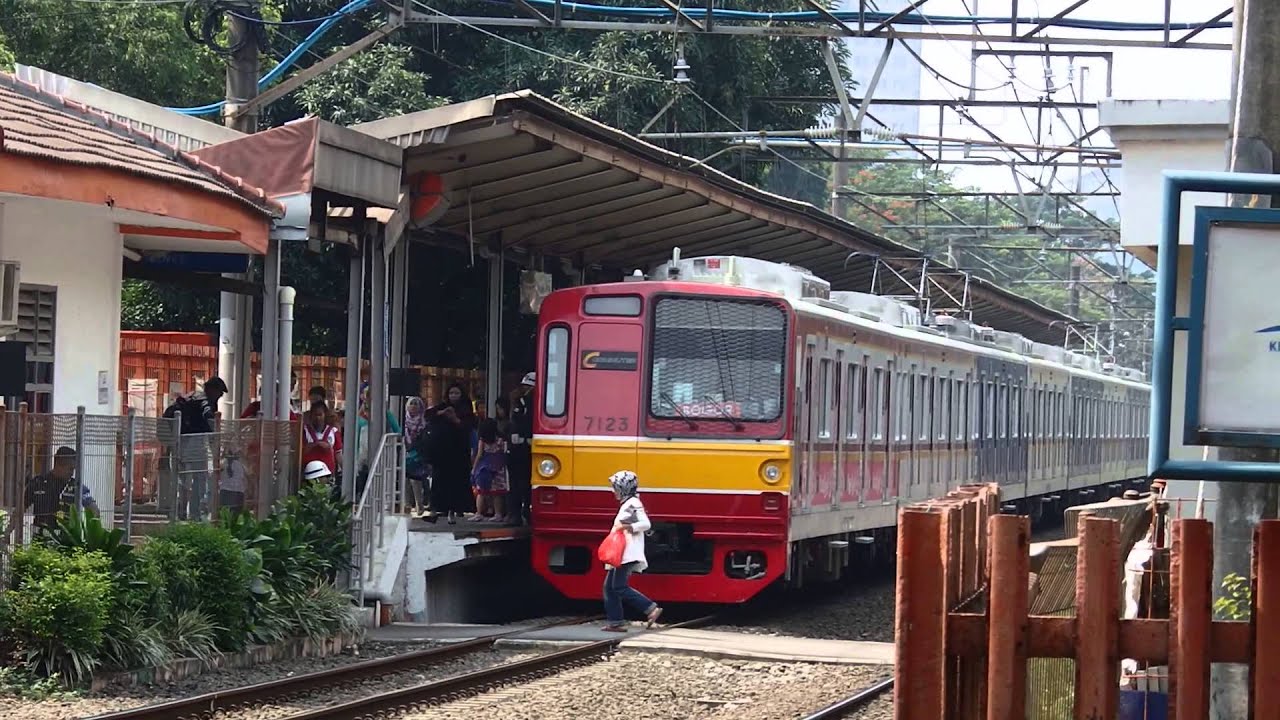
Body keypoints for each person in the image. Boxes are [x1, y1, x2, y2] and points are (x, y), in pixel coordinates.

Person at [601, 470, 662, 633]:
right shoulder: (629, 503)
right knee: (609, 587)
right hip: (621, 553)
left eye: (615, 487)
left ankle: (650, 608)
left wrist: (628, 527)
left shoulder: (633, 503)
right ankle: (616, 622)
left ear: (624, 487)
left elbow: (646, 524)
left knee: (619, 586)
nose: (613, 491)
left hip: (626, 554)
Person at [164, 377, 226, 521]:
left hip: (180, 441)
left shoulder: (190, 397)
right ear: (212, 390)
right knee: (200, 478)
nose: (220, 396)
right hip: (195, 442)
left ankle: (178, 511)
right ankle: (195, 514)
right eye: (220, 392)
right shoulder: (205, 401)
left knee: (182, 479)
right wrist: (215, 434)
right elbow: (208, 416)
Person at [426, 383, 476, 525]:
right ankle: (434, 510)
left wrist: (455, 419)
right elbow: (428, 415)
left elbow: (468, 426)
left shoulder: (466, 409)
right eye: (451, 393)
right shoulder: (442, 406)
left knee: (456, 483)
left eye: (457, 393)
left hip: (458, 453)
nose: (453, 396)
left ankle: (452, 513)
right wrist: (441, 413)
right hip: (442, 452)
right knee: (438, 480)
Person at [25, 446, 98, 532]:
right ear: (59, 465)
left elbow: (94, 509)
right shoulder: (38, 483)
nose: (72, 473)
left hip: (65, 540)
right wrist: (7, 534)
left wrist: (90, 533)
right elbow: (20, 509)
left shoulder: (75, 486)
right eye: (70, 469)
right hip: (41, 540)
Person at [469, 418, 508, 523]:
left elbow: (479, 454)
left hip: (485, 469)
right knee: (497, 493)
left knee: (481, 492)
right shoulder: (500, 440)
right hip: (499, 469)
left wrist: (474, 468)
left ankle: (479, 513)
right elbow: (504, 452)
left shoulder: (483, 440)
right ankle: (498, 514)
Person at [508, 372, 535, 525]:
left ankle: (524, 511)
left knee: (525, 483)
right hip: (516, 449)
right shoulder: (518, 401)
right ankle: (515, 513)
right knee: (516, 483)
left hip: (527, 448)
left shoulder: (533, 402)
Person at [404, 396, 431, 519]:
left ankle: (419, 504)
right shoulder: (403, 420)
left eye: (416, 404)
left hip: (418, 454)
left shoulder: (423, 422)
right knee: (405, 480)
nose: (413, 406)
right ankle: (407, 505)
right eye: (411, 404)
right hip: (405, 452)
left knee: (416, 480)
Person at [302, 400, 342, 478]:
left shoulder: (333, 432)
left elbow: (338, 455)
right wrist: (313, 446)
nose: (317, 418)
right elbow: (299, 453)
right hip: (309, 475)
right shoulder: (304, 431)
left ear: (325, 415)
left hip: (328, 475)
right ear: (311, 416)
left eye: (320, 415)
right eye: (315, 415)